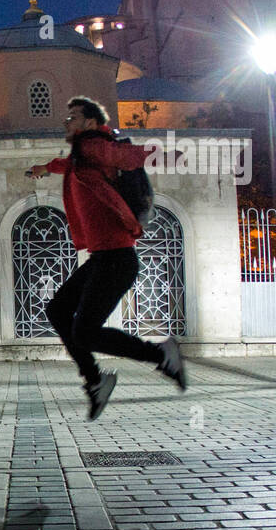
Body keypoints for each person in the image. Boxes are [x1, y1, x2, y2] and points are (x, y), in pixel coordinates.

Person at [26, 96, 186, 420]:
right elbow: (68, 165)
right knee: (58, 310)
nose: (66, 123)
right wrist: (45, 167)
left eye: (72, 117)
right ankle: (96, 380)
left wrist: (164, 155)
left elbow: (124, 155)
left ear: (87, 123)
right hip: (104, 257)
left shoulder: (93, 144)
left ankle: (160, 354)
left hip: (117, 257)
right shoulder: (81, 154)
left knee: (84, 331)